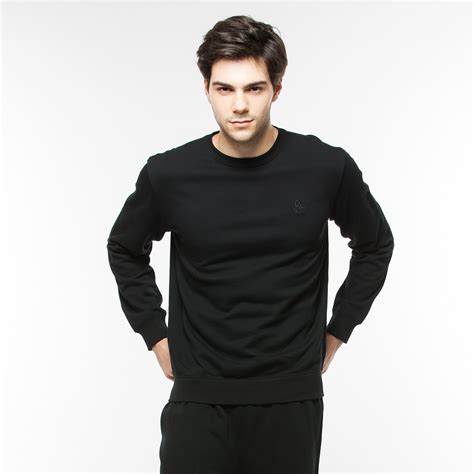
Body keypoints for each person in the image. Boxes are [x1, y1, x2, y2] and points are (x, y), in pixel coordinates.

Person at [106, 14, 394, 474]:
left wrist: (338, 330)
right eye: (225, 89)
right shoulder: (170, 174)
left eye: (254, 88)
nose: (239, 105)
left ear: (276, 88)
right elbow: (125, 248)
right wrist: (155, 334)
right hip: (199, 397)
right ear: (206, 88)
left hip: (290, 397)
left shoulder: (324, 167)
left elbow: (375, 244)